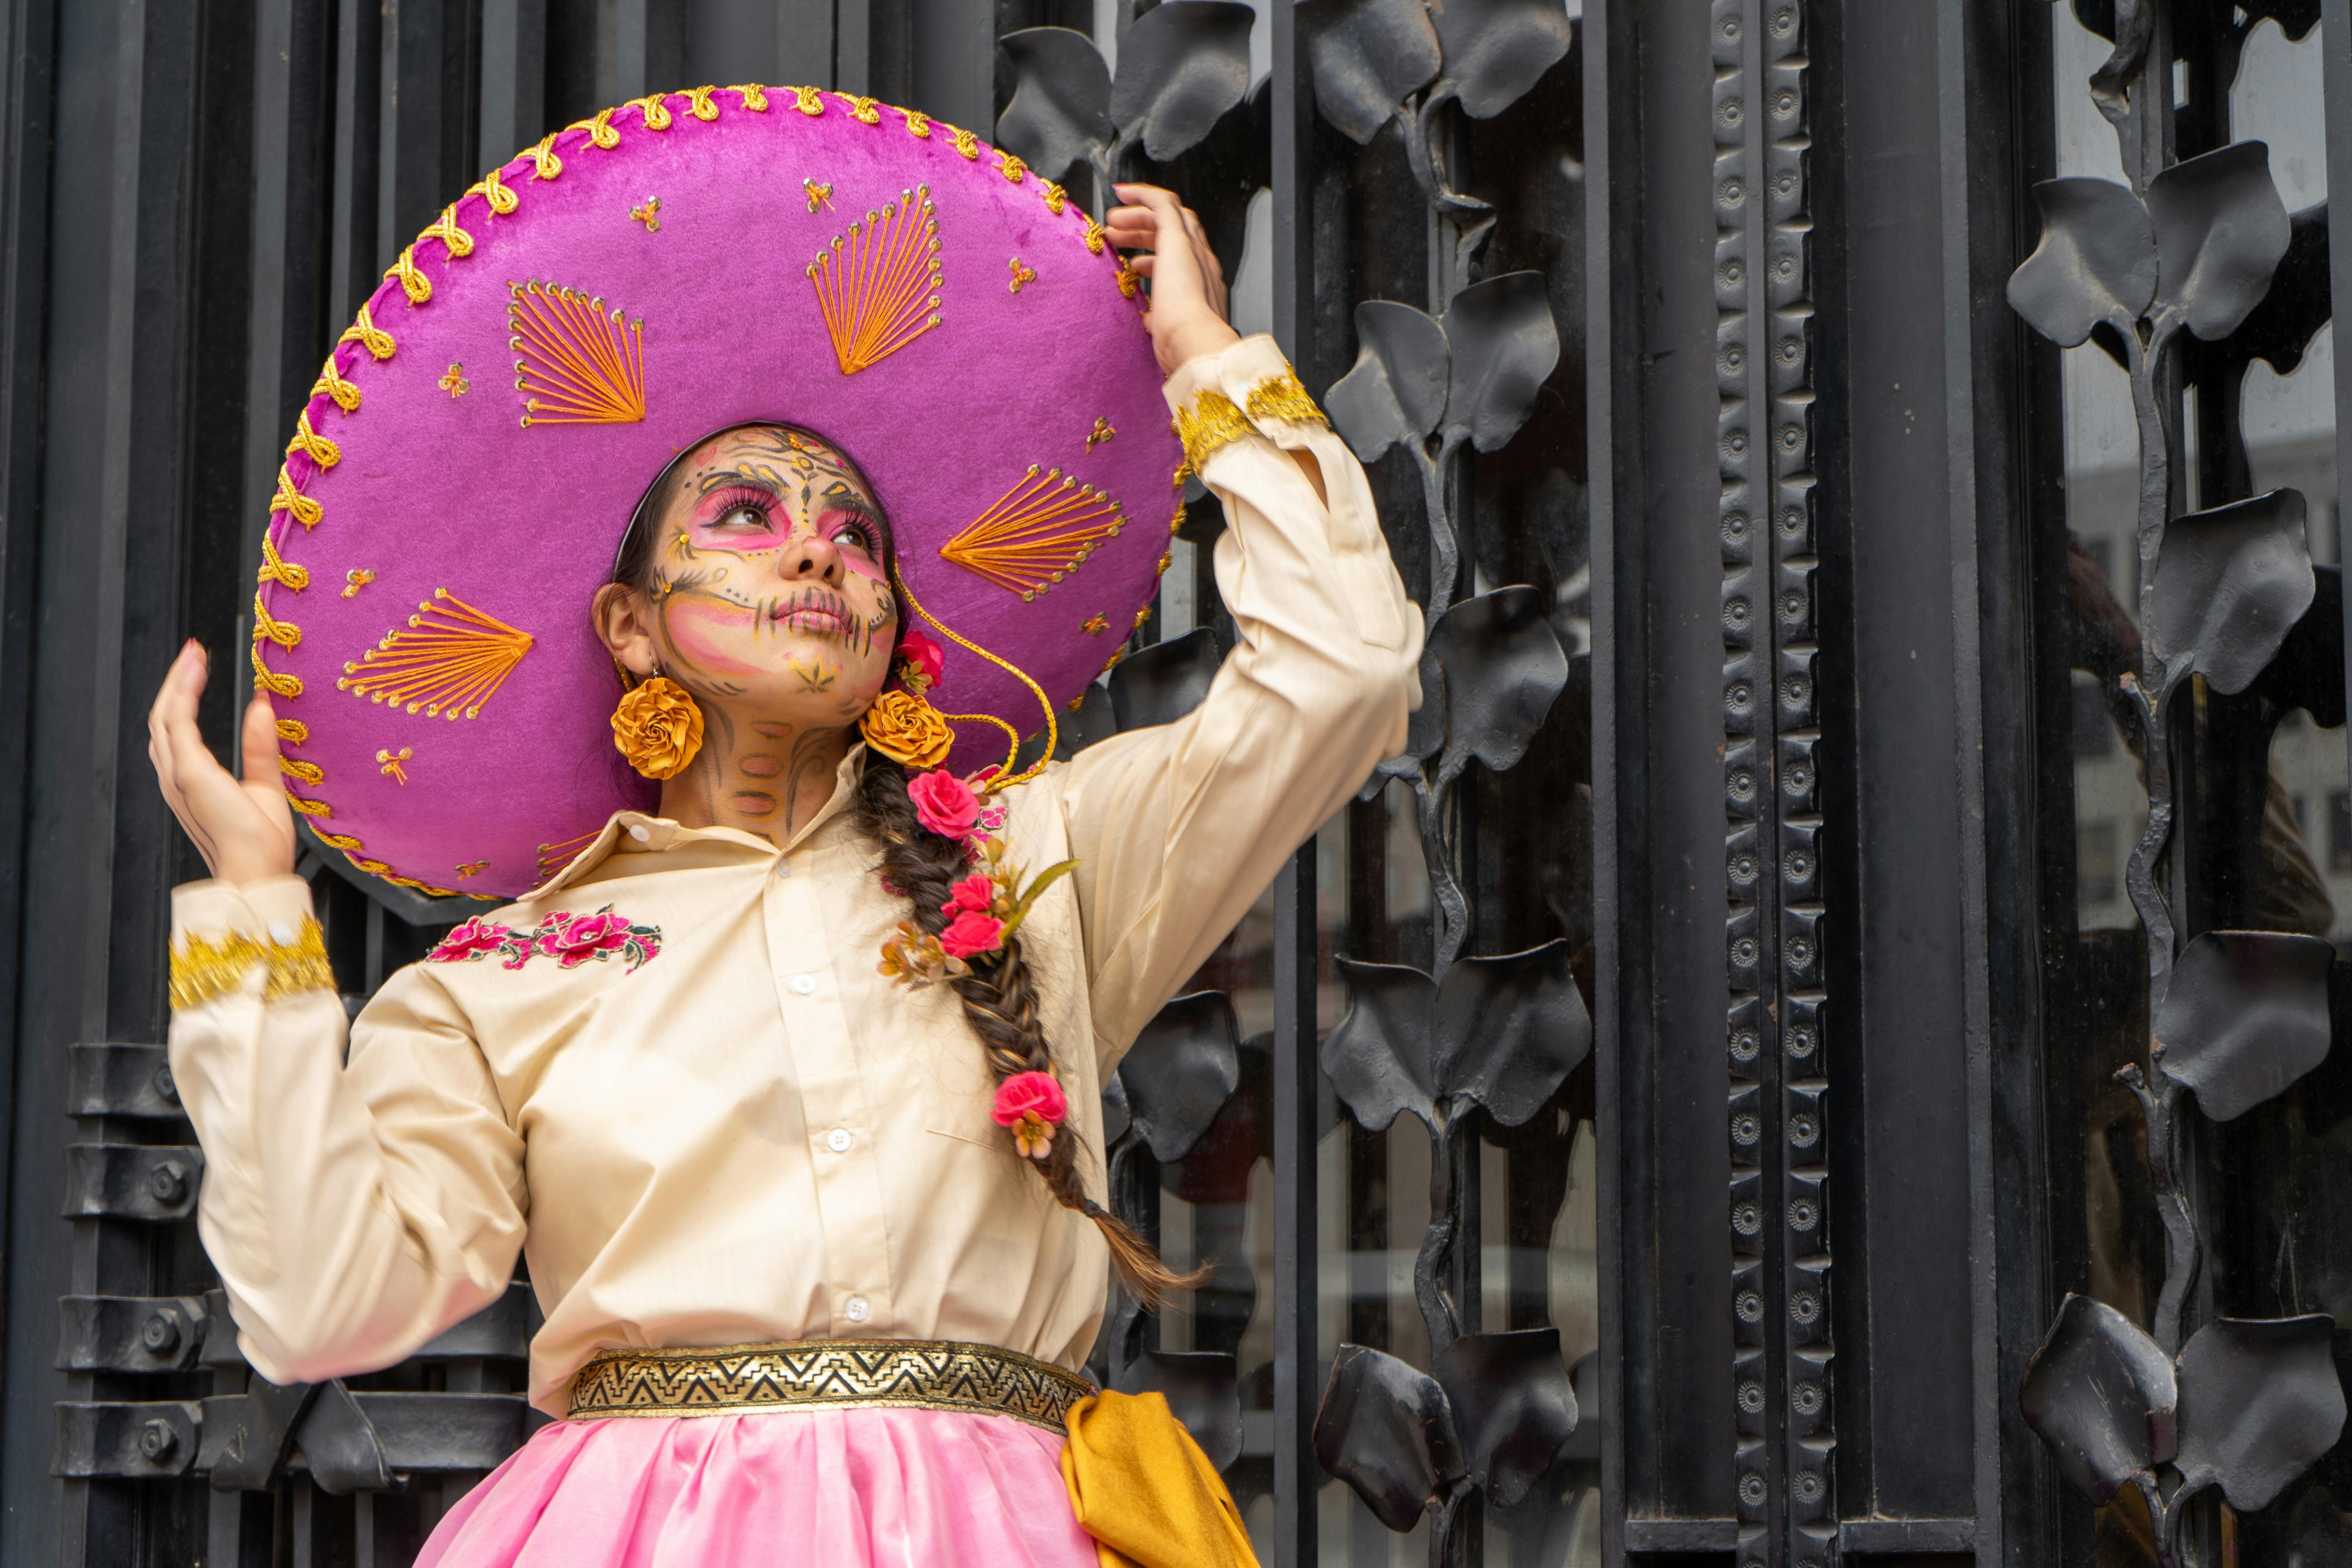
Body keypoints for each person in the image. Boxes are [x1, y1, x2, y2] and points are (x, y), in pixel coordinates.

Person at [147, 88, 1418, 1567]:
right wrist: (251, 914)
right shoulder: (498, 981)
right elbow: (318, 1307)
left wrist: (1208, 359)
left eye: (858, 535)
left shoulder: (1042, 865)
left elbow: (1343, 672)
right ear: (631, 627)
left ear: (896, 624)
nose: (818, 543)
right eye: (744, 516)